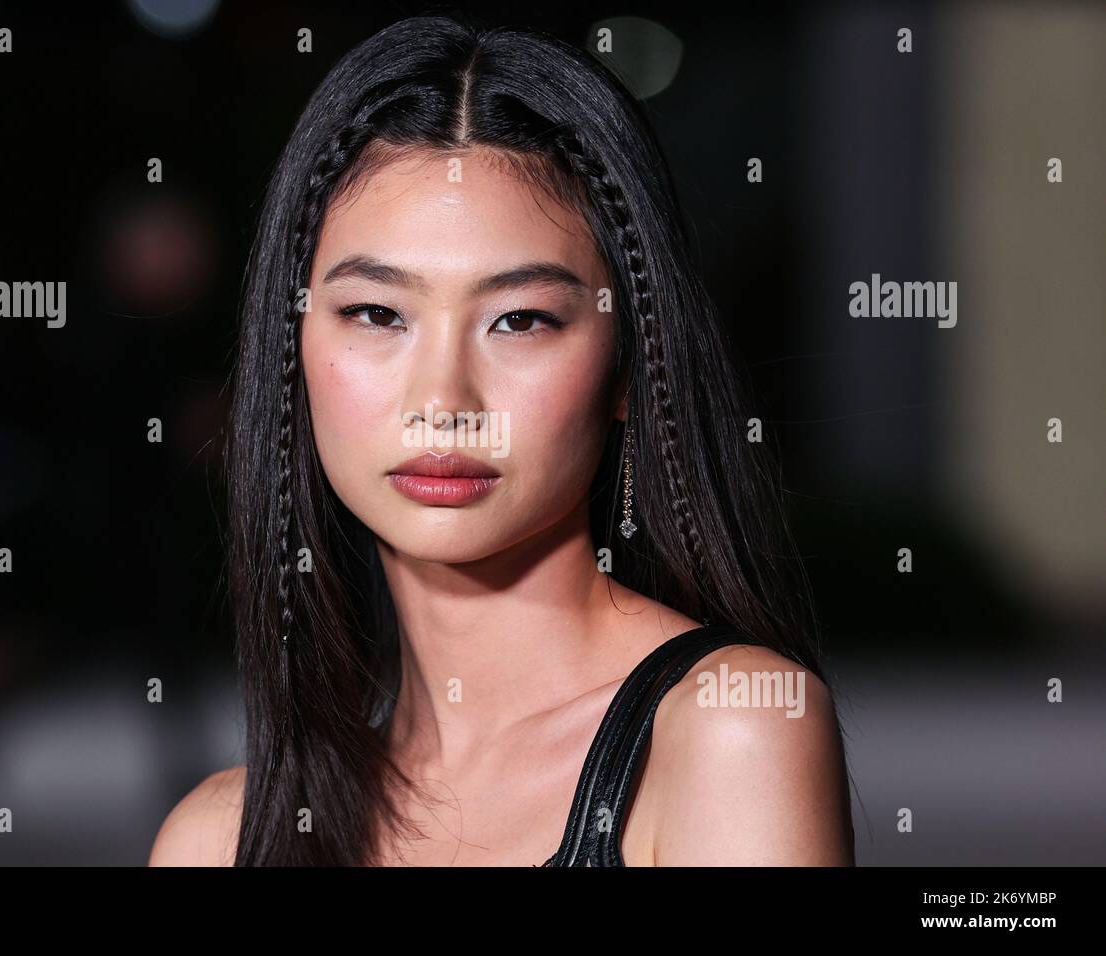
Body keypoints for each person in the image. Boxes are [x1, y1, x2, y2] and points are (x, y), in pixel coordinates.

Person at [150, 14, 854, 866]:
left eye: (519, 320)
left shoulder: (732, 733)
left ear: (631, 364)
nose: (443, 399)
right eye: (377, 314)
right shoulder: (217, 840)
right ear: (293, 350)